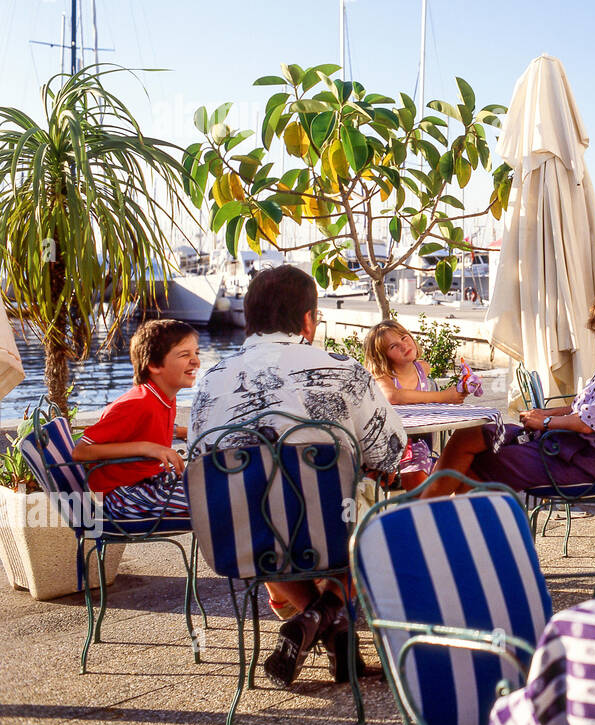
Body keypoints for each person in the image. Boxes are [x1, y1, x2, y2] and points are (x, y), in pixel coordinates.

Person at [188, 264, 407, 689]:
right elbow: (391, 453)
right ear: (308, 320)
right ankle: (325, 616)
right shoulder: (343, 371)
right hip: (329, 532)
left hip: (243, 540)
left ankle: (315, 625)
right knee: (373, 507)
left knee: (259, 508)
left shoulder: (210, 381)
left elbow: (200, 457)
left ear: (249, 319)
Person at [431, 288, 595, 494]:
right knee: (469, 436)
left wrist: (546, 422)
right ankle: (434, 519)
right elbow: (585, 410)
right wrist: (546, 414)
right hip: (568, 448)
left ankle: (424, 518)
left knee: (478, 461)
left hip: (586, 462)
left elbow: (589, 424)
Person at [72, 319, 200, 523]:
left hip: (151, 483)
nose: (196, 361)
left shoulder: (164, 397)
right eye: (185, 355)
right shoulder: (137, 404)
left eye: (196, 353)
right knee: (219, 501)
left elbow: (148, 427)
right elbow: (81, 451)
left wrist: (185, 432)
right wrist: (149, 448)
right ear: (154, 365)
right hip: (125, 496)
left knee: (227, 487)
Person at [363, 320, 467, 488]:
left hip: (420, 443)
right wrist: (443, 396)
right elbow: (394, 396)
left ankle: (433, 507)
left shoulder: (422, 368)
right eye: (393, 347)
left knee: (455, 471)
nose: (404, 346)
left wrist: (463, 389)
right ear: (382, 357)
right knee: (415, 472)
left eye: (404, 338)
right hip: (390, 448)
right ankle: (424, 507)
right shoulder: (382, 377)